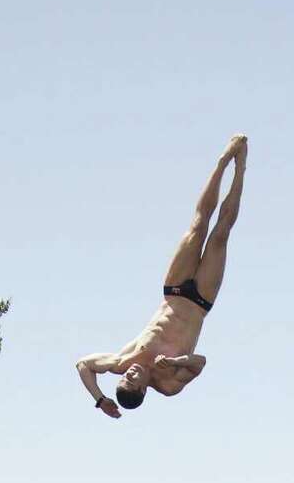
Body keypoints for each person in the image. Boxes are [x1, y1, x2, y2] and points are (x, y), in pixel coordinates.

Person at [75, 134, 248, 419]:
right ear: (144, 389)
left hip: (175, 290)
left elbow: (83, 365)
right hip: (200, 302)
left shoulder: (121, 361)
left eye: (123, 378)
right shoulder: (167, 384)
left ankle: (222, 162)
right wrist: (177, 361)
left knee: (198, 225)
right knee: (221, 235)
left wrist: (100, 399)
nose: (129, 373)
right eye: (132, 380)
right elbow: (201, 363)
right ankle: (240, 170)